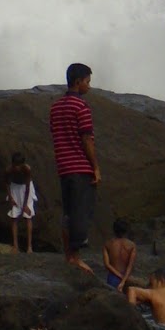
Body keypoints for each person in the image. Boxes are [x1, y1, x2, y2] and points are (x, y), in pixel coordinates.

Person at [49, 62, 99, 273]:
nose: (89, 86)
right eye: (88, 81)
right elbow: (87, 139)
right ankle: (76, 257)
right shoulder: (81, 107)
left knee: (68, 212)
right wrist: (95, 167)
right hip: (79, 165)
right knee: (80, 212)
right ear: (78, 82)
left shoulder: (55, 107)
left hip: (63, 166)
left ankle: (68, 255)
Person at [5, 153, 37, 254]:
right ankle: (15, 246)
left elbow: (27, 188)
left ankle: (29, 247)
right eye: (15, 165)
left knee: (28, 216)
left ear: (22, 164)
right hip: (14, 188)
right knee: (14, 217)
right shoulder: (8, 170)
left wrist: (24, 205)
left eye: (19, 166)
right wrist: (10, 197)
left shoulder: (27, 169)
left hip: (25, 189)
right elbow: (6, 183)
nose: (17, 168)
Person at [103, 218, 137, 291]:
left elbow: (107, 265)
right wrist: (124, 280)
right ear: (126, 231)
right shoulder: (132, 245)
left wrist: (120, 276)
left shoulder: (108, 244)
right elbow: (130, 266)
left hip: (113, 277)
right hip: (127, 277)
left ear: (114, 230)